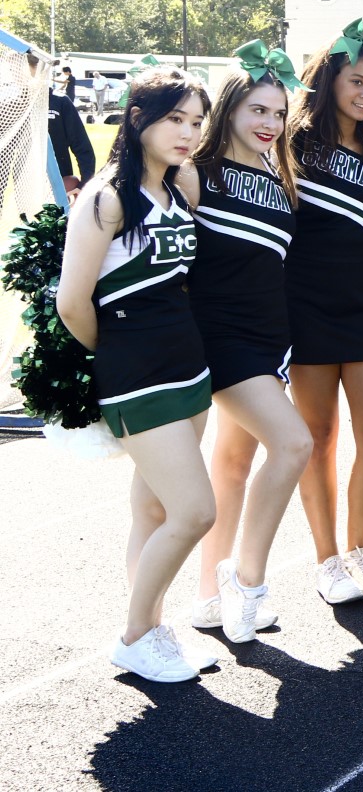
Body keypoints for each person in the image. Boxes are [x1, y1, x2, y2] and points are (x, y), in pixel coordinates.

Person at [56, 66, 218, 682]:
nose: (187, 132)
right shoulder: (105, 198)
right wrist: (120, 352)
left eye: (196, 121)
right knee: (195, 512)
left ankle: (151, 627)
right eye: (174, 118)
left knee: (153, 511)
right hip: (137, 374)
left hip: (189, 367)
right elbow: (73, 303)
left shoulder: (180, 190)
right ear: (138, 118)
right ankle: (132, 635)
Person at [189, 42, 314, 643]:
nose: (268, 124)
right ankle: (250, 580)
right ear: (231, 111)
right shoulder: (198, 174)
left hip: (272, 341)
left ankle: (209, 595)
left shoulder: (281, 177)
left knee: (234, 463)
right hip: (221, 340)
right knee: (293, 445)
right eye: (256, 111)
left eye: (277, 113)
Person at [287, 19, 363, 604]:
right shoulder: (293, 142)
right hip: (306, 309)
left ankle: (361, 548)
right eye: (356, 81)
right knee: (318, 437)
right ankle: (327, 559)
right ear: (330, 80)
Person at [48, 84, 96, 199]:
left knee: (60, 215)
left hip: (60, 179)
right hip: (28, 181)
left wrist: (84, 182)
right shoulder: (16, 104)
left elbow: (81, 144)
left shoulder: (60, 101)